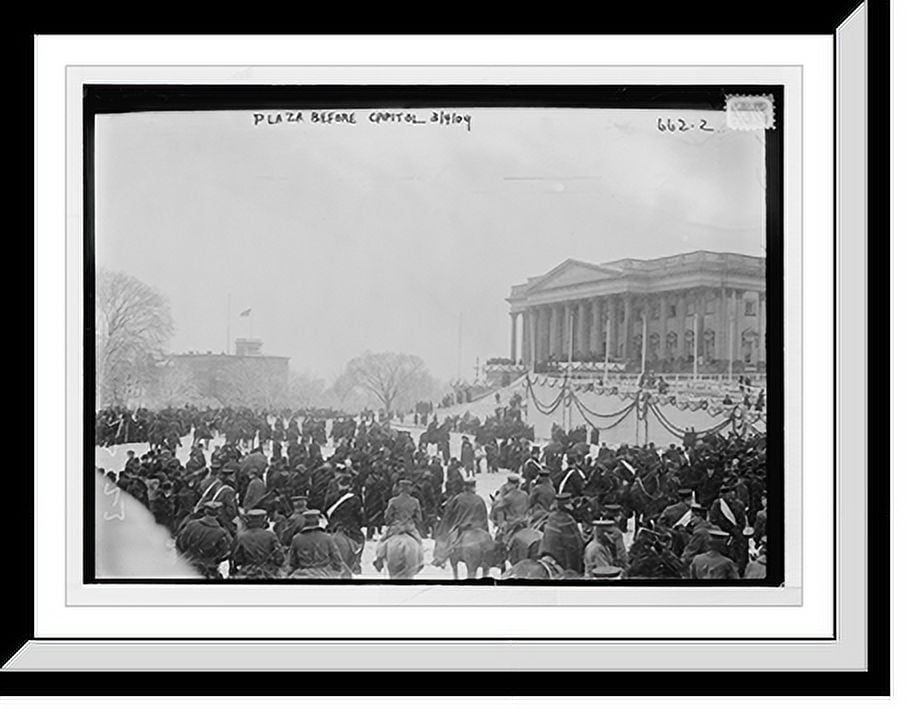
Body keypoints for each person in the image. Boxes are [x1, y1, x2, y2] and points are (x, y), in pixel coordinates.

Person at [175, 501, 233, 579]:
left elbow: (179, 542)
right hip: (207, 569)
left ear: (205, 511)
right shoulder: (221, 533)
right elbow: (226, 553)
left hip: (185, 565)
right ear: (218, 513)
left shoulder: (191, 524)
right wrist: (214, 560)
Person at [286, 509, 347, 578]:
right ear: (317, 522)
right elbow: (337, 560)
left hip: (302, 575)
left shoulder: (296, 539)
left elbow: (292, 563)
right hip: (324, 574)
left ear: (305, 522)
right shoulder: (327, 538)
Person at [325, 474, 365, 574]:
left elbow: (325, 511)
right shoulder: (355, 499)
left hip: (333, 527)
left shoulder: (331, 497)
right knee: (361, 539)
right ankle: (356, 564)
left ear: (338, 484)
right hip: (350, 527)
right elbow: (360, 517)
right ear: (350, 486)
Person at [230, 509, 283, 579]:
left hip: (248, 572)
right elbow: (279, 556)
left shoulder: (241, 537)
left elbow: (237, 558)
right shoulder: (271, 535)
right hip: (268, 572)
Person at [538, 493, 584, 573]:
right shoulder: (568, 520)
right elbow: (574, 546)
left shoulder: (551, 517)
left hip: (546, 554)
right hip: (560, 560)